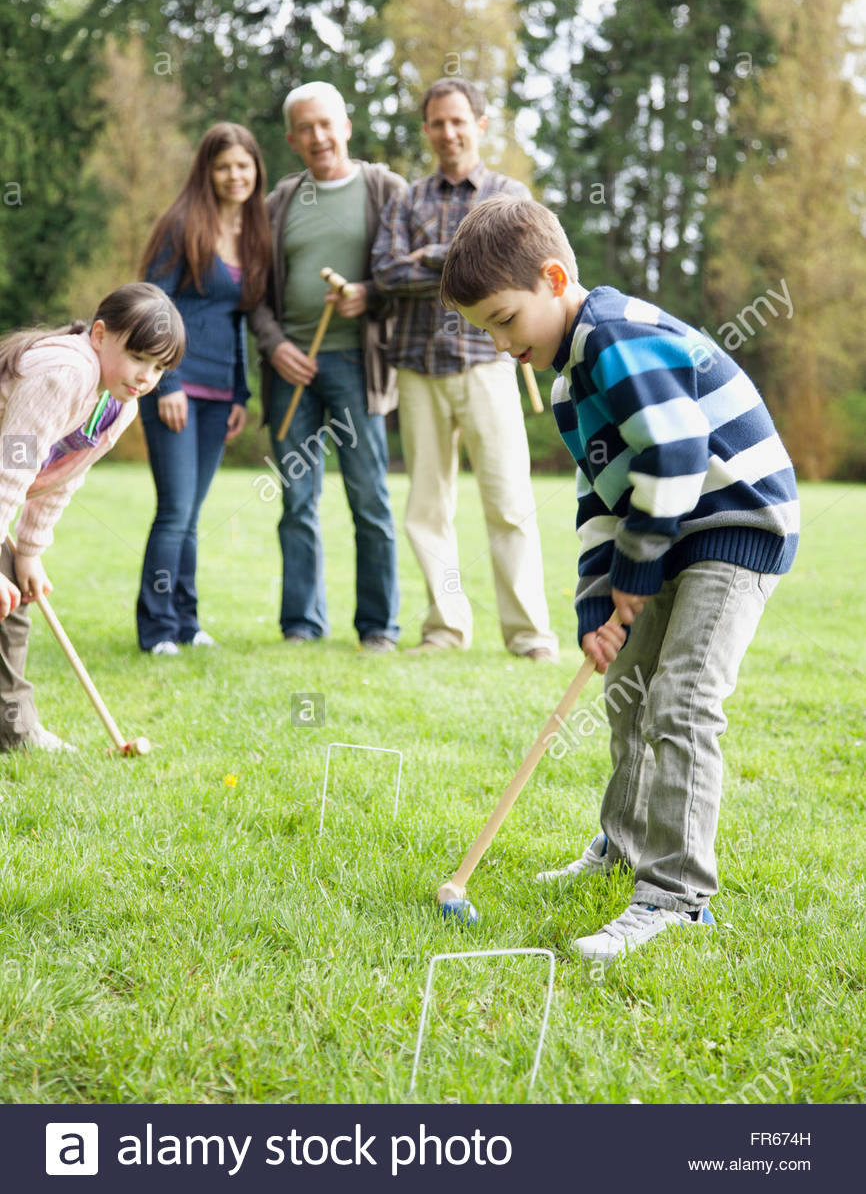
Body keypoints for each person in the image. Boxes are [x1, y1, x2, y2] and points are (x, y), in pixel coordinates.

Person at [440, 194, 799, 959]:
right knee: (629, 683)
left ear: (554, 276)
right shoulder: (571, 382)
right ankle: (626, 842)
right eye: (486, 332)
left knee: (683, 698)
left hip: (737, 520)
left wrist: (636, 571)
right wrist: (598, 604)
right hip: (669, 530)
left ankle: (677, 898)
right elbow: (602, 500)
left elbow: (672, 454)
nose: (502, 344)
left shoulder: (613, 338)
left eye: (505, 320)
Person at [371, 78, 557, 660]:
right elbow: (385, 274)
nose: (448, 133)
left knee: (508, 503)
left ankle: (528, 635)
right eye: (437, 123)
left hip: (489, 364)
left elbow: (510, 271)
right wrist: (451, 256)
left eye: (458, 121)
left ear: (479, 124)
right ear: (426, 130)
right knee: (428, 509)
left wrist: (424, 258)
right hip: (418, 369)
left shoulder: (509, 193)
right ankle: (444, 629)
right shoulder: (407, 198)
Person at [248, 82, 402, 651]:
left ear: (346, 126)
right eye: (304, 128)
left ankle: (378, 626)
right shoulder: (278, 203)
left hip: (357, 367)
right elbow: (254, 295)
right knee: (297, 498)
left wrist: (370, 295)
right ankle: (302, 624)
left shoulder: (385, 188)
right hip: (292, 370)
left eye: (325, 124)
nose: (317, 137)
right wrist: (274, 346)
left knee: (369, 495)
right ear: (291, 138)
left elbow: (406, 274)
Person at [0, 283, 185, 752]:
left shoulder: (118, 405)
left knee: (15, 603)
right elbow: (12, 463)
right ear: (100, 334)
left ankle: (14, 731)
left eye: (160, 367)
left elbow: (61, 476)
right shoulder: (65, 372)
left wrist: (28, 552)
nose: (147, 376)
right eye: (140, 357)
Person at [136, 123, 270, 654]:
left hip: (219, 392)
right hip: (175, 387)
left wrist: (240, 395)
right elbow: (151, 304)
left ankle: (187, 624)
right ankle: (157, 630)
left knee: (191, 514)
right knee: (174, 509)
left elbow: (236, 321)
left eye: (243, 165)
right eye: (224, 166)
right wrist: (166, 381)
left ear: (256, 170)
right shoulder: (182, 224)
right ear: (207, 171)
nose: (235, 175)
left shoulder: (253, 234)